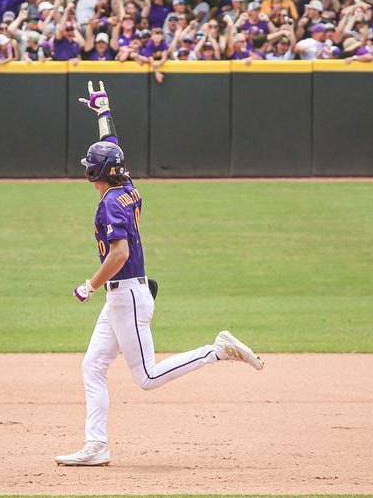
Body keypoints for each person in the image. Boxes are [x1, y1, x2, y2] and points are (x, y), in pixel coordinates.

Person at [55, 81, 264, 468]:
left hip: (126, 296)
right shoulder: (127, 188)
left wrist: (89, 285)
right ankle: (96, 445)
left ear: (95, 173)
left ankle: (216, 350)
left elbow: (119, 253)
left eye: (89, 165)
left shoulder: (108, 208)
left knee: (148, 376)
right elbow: (113, 147)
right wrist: (103, 112)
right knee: (93, 366)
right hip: (125, 297)